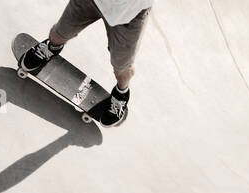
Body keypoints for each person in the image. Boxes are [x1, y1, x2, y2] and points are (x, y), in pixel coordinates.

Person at [20, 0, 153, 127]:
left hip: (130, 14)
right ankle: (51, 47)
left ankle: (121, 92)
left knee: (121, 66)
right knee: (59, 33)